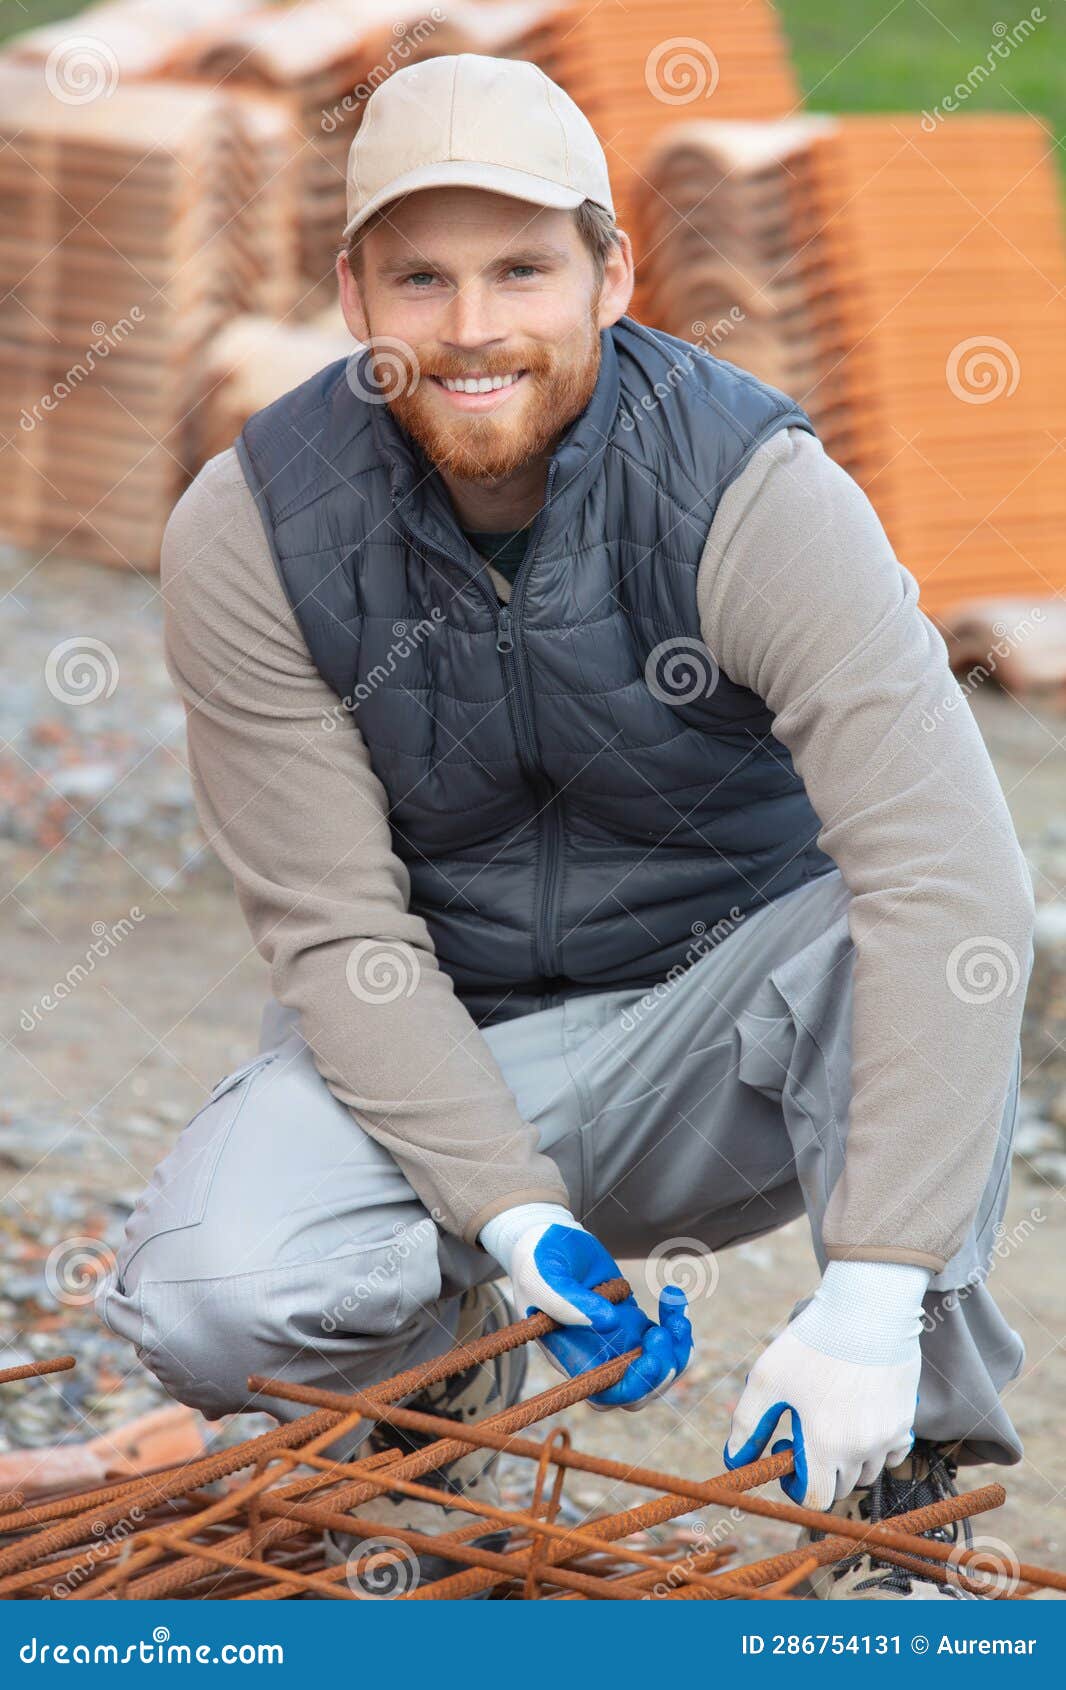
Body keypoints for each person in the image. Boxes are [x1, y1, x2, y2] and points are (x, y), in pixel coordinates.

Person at [99, 54, 1034, 1600]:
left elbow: (947, 874)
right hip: (444, 1035)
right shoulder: (253, 528)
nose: (471, 325)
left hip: (726, 1037)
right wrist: (516, 1217)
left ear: (611, 275)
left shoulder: (748, 489)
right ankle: (434, 1388)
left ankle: (897, 1479)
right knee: (207, 1293)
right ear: (351, 295)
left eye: (522, 269)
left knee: (915, 931)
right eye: (421, 277)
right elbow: (336, 927)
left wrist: (873, 1291)